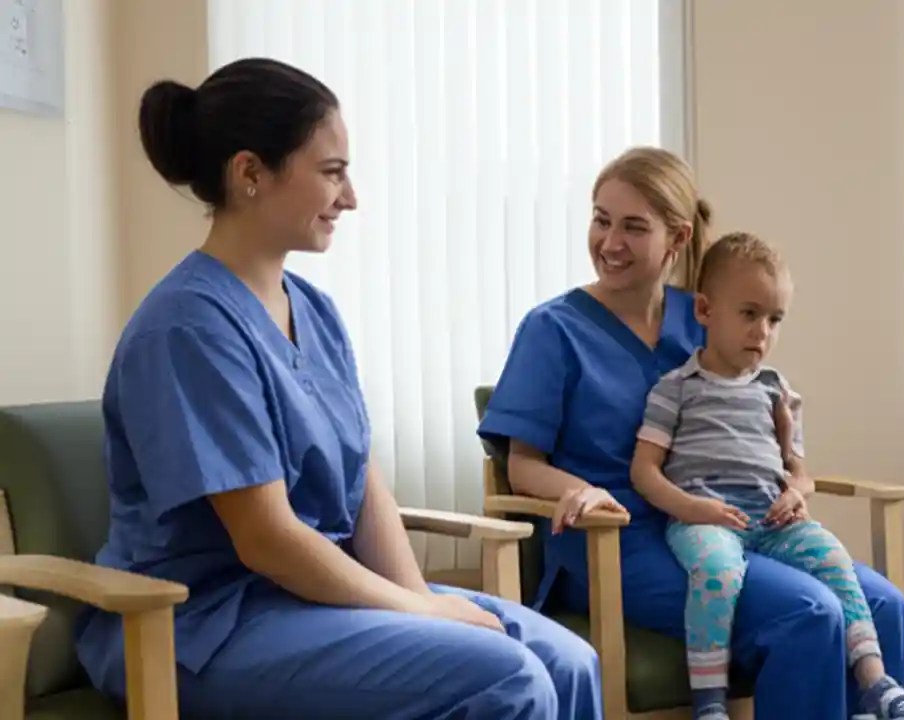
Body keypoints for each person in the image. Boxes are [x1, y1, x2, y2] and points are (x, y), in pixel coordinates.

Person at [74, 57, 601, 720]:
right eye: (331, 172)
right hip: (201, 625)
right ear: (250, 175)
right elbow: (265, 539)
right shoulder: (187, 327)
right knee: (506, 678)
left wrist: (424, 603)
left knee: (570, 662)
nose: (349, 196)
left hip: (309, 603)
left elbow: (362, 481)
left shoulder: (314, 310)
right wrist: (419, 611)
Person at [478, 146, 904, 720]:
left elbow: (757, 420)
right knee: (807, 611)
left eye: (634, 226)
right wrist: (575, 490)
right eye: (601, 219)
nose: (610, 242)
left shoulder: (707, 315)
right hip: (616, 543)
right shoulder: (552, 329)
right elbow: (521, 465)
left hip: (726, 524)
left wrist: (793, 482)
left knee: (884, 602)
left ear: (678, 238)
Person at [631, 233, 904, 720]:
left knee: (838, 561)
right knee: (718, 574)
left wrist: (796, 491)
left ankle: (876, 687)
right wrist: (692, 508)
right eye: (749, 314)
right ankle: (709, 704)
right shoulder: (676, 389)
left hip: (772, 522)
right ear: (705, 311)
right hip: (707, 519)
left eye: (775, 319)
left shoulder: (776, 391)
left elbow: (798, 469)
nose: (763, 332)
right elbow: (643, 470)